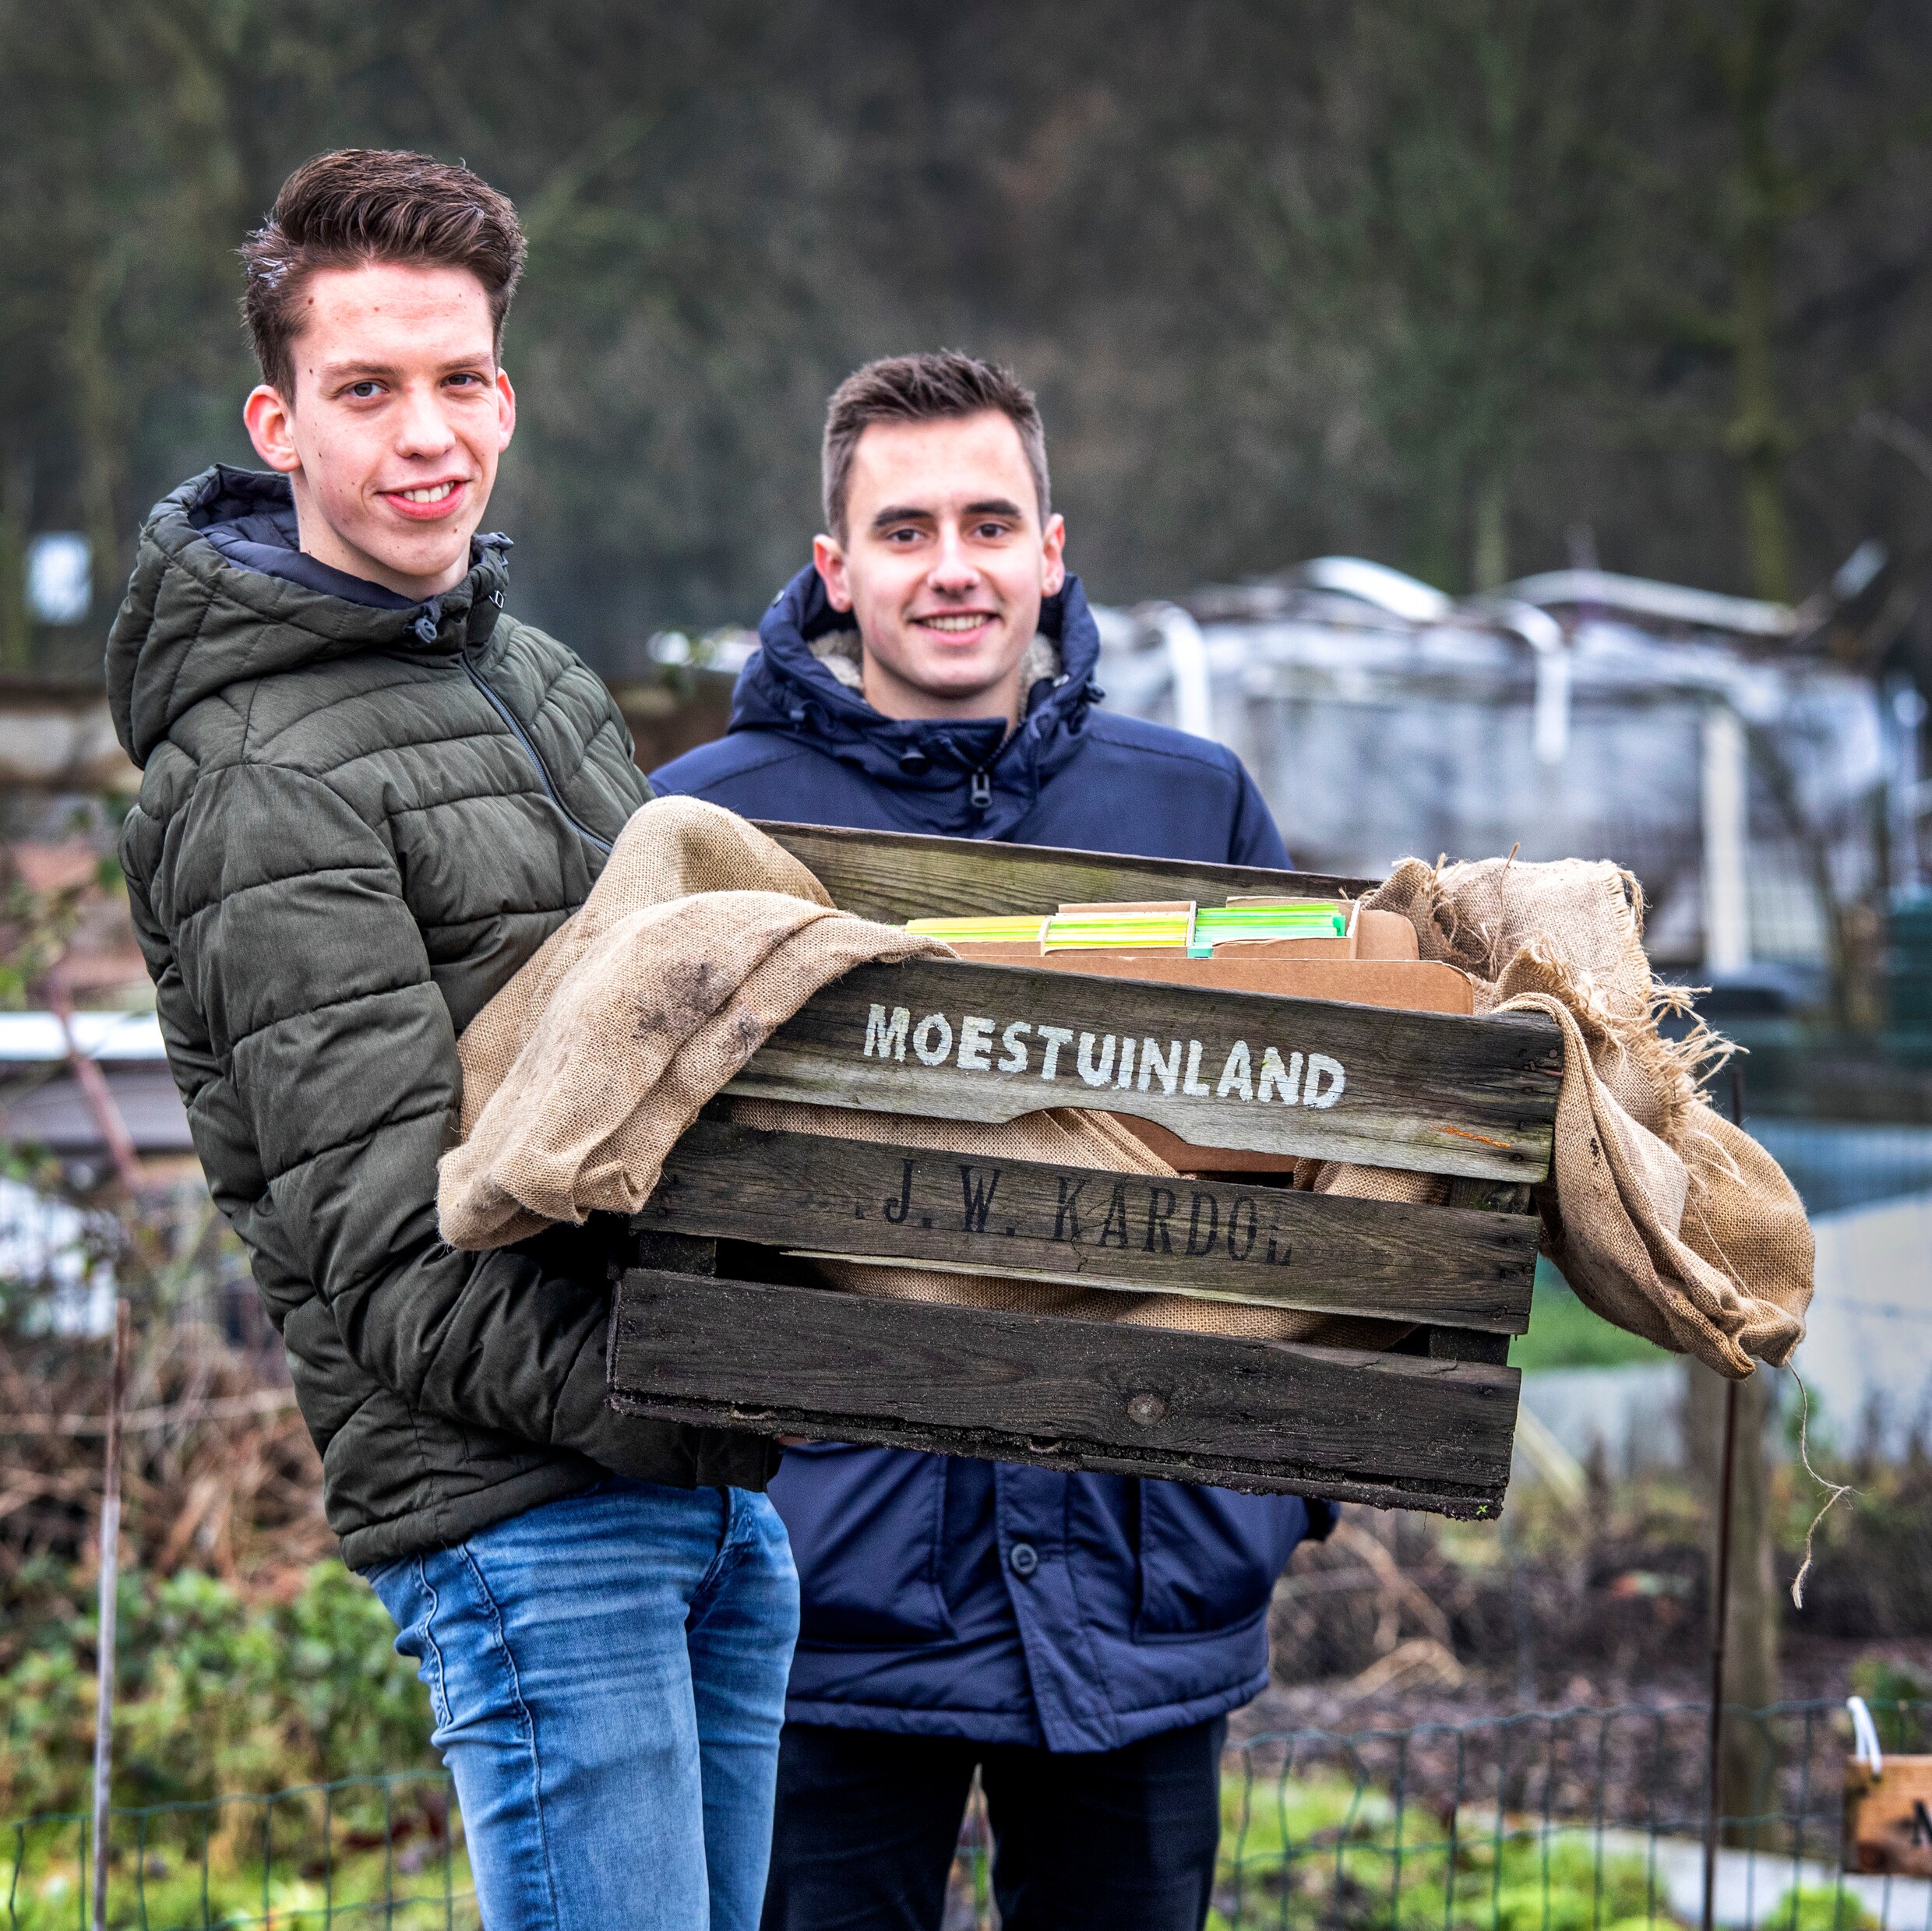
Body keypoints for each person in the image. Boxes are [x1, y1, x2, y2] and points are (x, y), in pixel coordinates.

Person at [108, 149, 799, 1931]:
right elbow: (384, 1249)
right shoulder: (255, 773)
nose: (429, 433)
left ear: (509, 389)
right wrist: (707, 1407)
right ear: (279, 420)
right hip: (532, 1523)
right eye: (367, 390)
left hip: (702, 1500)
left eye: (462, 380)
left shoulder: (541, 676)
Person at [652, 351, 1337, 1931]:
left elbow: (1320, 1169)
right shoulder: (711, 821)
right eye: (902, 531)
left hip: (1142, 1582)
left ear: (1052, 546)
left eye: (986, 521)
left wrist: (1267, 1496)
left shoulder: (1195, 805)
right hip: (829, 1589)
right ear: (834, 568)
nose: (949, 567)